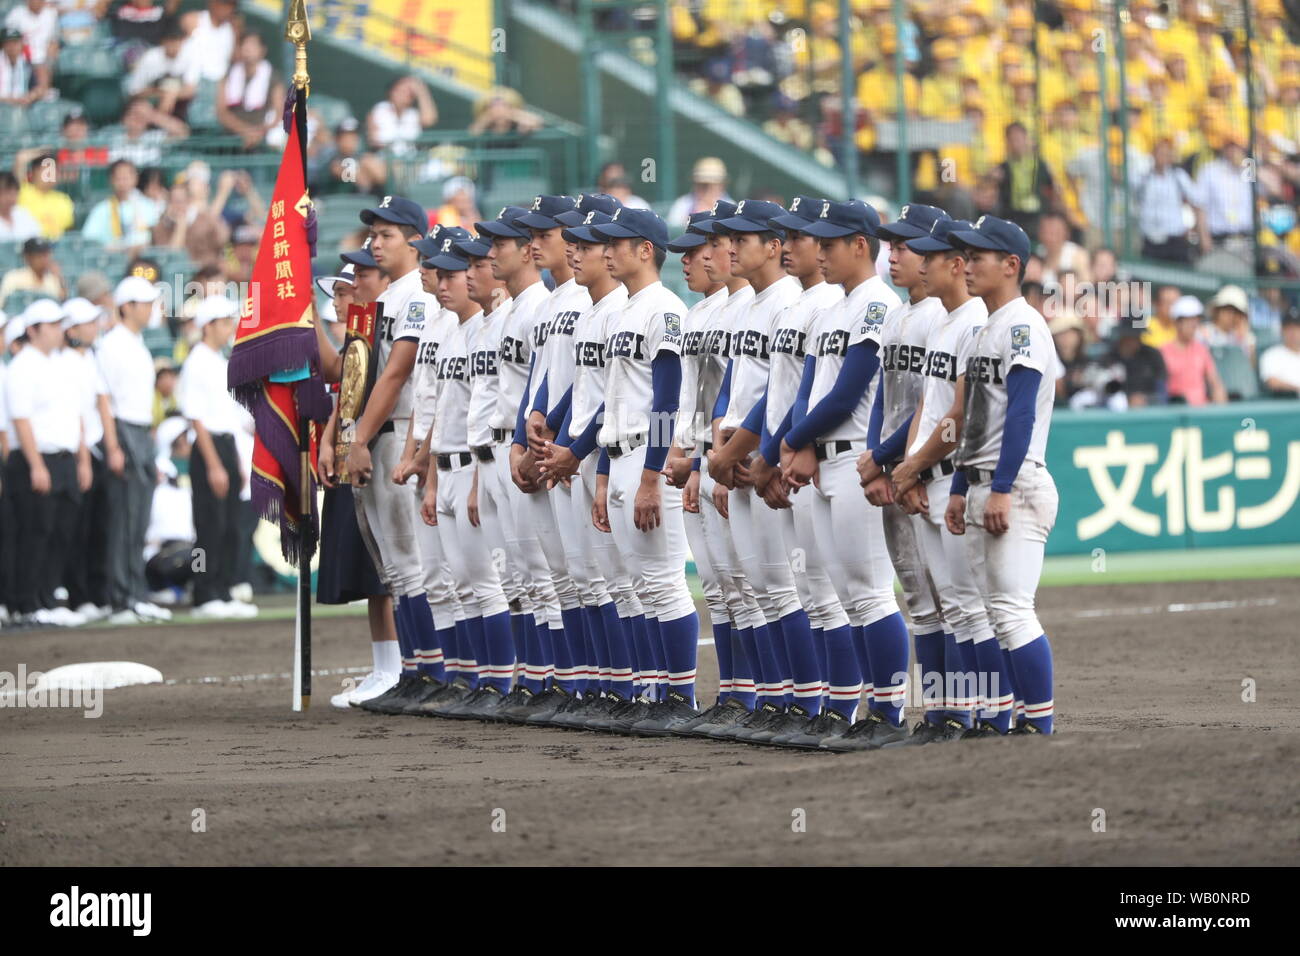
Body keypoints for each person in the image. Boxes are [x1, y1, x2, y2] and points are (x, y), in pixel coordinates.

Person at [777, 199, 908, 749]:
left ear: (861, 244)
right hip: (822, 459)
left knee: (871, 593)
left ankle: (888, 710)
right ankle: (846, 709)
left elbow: (851, 390)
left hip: (857, 455)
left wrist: (791, 440)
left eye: (829, 244)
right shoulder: (830, 306)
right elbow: (808, 388)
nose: (820, 253)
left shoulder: (878, 304)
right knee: (842, 594)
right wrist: (796, 443)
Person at [337, 196, 460, 712]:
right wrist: (346, 436)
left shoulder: (417, 297)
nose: (374, 243)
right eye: (372, 234)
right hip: (382, 431)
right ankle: (415, 672)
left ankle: (432, 672)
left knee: (415, 564)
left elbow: (396, 373)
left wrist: (357, 439)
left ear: (414, 239)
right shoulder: (389, 296)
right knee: (396, 568)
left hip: (403, 430)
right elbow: (356, 376)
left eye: (385, 234)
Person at [945, 214, 1059, 735]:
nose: (967, 265)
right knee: (992, 614)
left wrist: (1003, 488)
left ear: (1011, 265)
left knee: (1011, 611)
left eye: (979, 256)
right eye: (965, 255)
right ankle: (1008, 719)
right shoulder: (985, 328)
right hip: (982, 481)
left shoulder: (1023, 324)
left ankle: (1038, 723)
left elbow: (1020, 414)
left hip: (1016, 482)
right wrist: (958, 486)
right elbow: (970, 419)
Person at [313, 256, 404, 710]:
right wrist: (333, 441)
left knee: (388, 569)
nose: (338, 299)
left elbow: (371, 382)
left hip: (383, 447)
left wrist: (352, 441)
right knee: (373, 570)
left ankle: (401, 668)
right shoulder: (358, 334)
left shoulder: (381, 326)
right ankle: (387, 667)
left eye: (346, 289)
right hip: (358, 445)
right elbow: (342, 386)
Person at [3, 298, 89, 627]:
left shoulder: (60, 364)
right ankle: (27, 602)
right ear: (33, 330)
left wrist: (82, 459)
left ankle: (48, 597)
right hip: (36, 459)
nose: (58, 331)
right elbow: (21, 420)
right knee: (35, 532)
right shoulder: (23, 366)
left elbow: (74, 416)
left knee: (61, 532)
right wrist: (36, 464)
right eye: (52, 326)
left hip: (65, 457)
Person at [177, 294, 257, 619]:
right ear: (208, 326)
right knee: (208, 525)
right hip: (207, 447)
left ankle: (222, 590)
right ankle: (204, 591)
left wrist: (235, 462)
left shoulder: (219, 361)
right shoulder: (196, 361)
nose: (231, 328)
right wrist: (213, 465)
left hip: (226, 446)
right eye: (225, 322)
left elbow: (230, 418)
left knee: (226, 524)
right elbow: (196, 419)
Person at [99, 275, 173, 623]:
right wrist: (114, 445)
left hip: (141, 431)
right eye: (144, 303)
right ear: (126, 306)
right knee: (124, 519)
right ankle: (120, 597)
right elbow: (106, 400)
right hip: (124, 430)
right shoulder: (112, 344)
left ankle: (135, 592)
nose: (150, 308)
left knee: (138, 518)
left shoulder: (136, 343)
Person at [62, 297, 119, 623]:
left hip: (96, 451)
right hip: (77, 452)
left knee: (100, 527)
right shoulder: (64, 363)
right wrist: (85, 456)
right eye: (87, 323)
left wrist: (111, 448)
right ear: (72, 328)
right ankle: (78, 595)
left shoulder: (91, 359)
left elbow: (102, 406)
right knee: (78, 528)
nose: (94, 327)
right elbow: (75, 415)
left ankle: (98, 593)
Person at [1136, 137, 1204, 264]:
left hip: (1175, 239)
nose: (1163, 157)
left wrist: (1194, 227)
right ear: (1153, 154)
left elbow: (1198, 201)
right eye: (1160, 153)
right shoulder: (1144, 177)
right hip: (1150, 240)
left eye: (1167, 154)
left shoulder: (1178, 176)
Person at [216, 32, 285, 151]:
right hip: (231, 138)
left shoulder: (273, 77)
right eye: (244, 44)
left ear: (262, 50)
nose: (247, 49)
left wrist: (258, 133)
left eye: (252, 45)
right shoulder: (229, 74)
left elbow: (279, 113)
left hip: (261, 140)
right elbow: (221, 112)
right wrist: (244, 131)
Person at [1161, 296, 1229, 406]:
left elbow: (1215, 383)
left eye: (1196, 320)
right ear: (1177, 322)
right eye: (1189, 320)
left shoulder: (1201, 350)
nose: (1194, 325)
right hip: (1176, 414)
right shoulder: (1163, 352)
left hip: (1202, 413)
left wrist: (1222, 410)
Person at [81, 159, 159, 251]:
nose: (122, 183)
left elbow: (157, 238)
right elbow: (89, 240)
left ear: (135, 178)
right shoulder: (101, 209)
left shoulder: (148, 206)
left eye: (126, 178)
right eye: (118, 178)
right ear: (111, 180)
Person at [366, 75, 437, 154]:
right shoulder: (379, 111)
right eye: (401, 91)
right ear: (392, 92)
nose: (404, 95)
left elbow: (429, 119)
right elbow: (373, 140)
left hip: (410, 160)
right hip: (385, 158)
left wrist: (421, 90)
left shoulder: (412, 114)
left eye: (409, 93)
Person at [13, 149, 74, 239]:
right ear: (33, 173)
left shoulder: (64, 199)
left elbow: (67, 231)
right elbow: (21, 158)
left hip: (54, 248)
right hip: (29, 247)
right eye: (46, 170)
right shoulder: (22, 191)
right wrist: (43, 151)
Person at [1107, 319, 1168, 406]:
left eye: (1136, 337)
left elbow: (1161, 389)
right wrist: (1128, 399)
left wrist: (1146, 399)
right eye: (1129, 336)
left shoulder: (1152, 356)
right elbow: (1106, 391)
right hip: (1117, 411)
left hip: (1149, 409)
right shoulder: (1110, 357)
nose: (1132, 341)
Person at [665, 157, 731, 233]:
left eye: (712, 185)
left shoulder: (731, 207)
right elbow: (673, 233)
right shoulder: (683, 204)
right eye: (703, 185)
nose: (707, 190)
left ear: (722, 185)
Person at [0, 236, 64, 306]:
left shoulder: (53, 279)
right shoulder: (13, 277)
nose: (44, 259)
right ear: (27, 257)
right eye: (39, 255)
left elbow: (61, 303)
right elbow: (3, 305)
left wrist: (60, 279)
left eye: (46, 254)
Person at [0, 26, 46, 106]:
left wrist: (31, 96)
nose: (12, 47)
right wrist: (11, 100)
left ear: (21, 43)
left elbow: (38, 88)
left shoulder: (26, 65)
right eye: (8, 43)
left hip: (21, 109)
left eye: (15, 42)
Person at [1260, 308, 1300, 397]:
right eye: (1289, 328)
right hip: (1285, 402)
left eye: (1297, 327)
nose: (1293, 332)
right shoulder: (1271, 354)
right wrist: (1297, 389)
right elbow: (1272, 382)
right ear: (1282, 330)